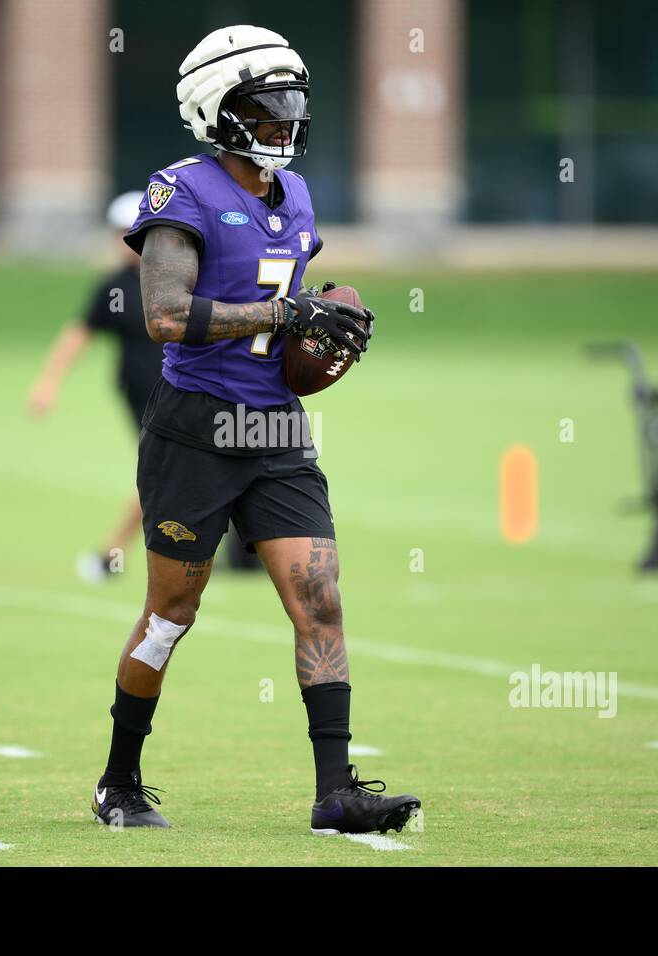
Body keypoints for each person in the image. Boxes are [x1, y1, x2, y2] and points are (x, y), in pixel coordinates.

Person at [89, 25, 420, 835]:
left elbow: (297, 314)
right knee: (172, 614)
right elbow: (165, 315)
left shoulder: (297, 196)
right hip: (195, 432)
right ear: (216, 110)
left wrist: (322, 332)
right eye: (266, 111)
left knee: (321, 602)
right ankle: (118, 781)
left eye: (291, 109)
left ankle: (335, 792)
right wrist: (284, 311)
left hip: (277, 433)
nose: (284, 125)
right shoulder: (181, 194)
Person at [27, 192, 162, 582]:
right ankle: (111, 555)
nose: (128, 242)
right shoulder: (115, 288)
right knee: (160, 473)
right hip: (144, 396)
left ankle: (112, 555)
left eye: (135, 233)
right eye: (121, 233)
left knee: (178, 473)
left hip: (192, 390)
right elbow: (79, 334)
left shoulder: (183, 280)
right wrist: (48, 381)